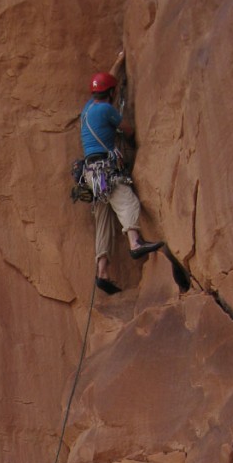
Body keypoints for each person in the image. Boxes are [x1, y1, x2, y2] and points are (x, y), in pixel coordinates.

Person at [81, 48, 164, 294]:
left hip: (90, 175)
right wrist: (130, 139)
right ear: (111, 93)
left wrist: (118, 61)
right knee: (126, 200)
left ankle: (102, 270)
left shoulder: (88, 108)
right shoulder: (107, 110)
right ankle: (135, 241)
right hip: (105, 171)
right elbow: (127, 130)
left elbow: (106, 80)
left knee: (103, 219)